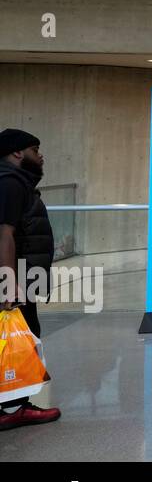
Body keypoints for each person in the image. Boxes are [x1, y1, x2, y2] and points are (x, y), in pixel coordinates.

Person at [0, 128, 60, 432]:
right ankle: (13, 409)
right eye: (36, 149)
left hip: (21, 277)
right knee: (19, 342)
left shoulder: (13, 181)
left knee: (17, 340)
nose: (41, 155)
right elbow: (5, 234)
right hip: (16, 279)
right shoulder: (10, 183)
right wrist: (8, 282)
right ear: (17, 153)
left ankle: (13, 405)